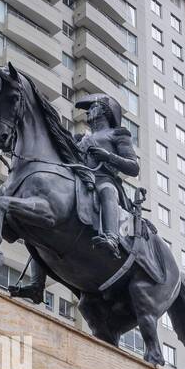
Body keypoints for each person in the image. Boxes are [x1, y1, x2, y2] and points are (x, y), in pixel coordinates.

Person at [74, 94, 140, 256]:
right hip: (80, 180)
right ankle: (37, 279)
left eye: (92, 108)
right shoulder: (80, 139)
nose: (88, 112)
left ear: (105, 111)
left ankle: (111, 237)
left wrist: (108, 156)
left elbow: (133, 167)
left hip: (104, 179)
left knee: (107, 191)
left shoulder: (117, 134)